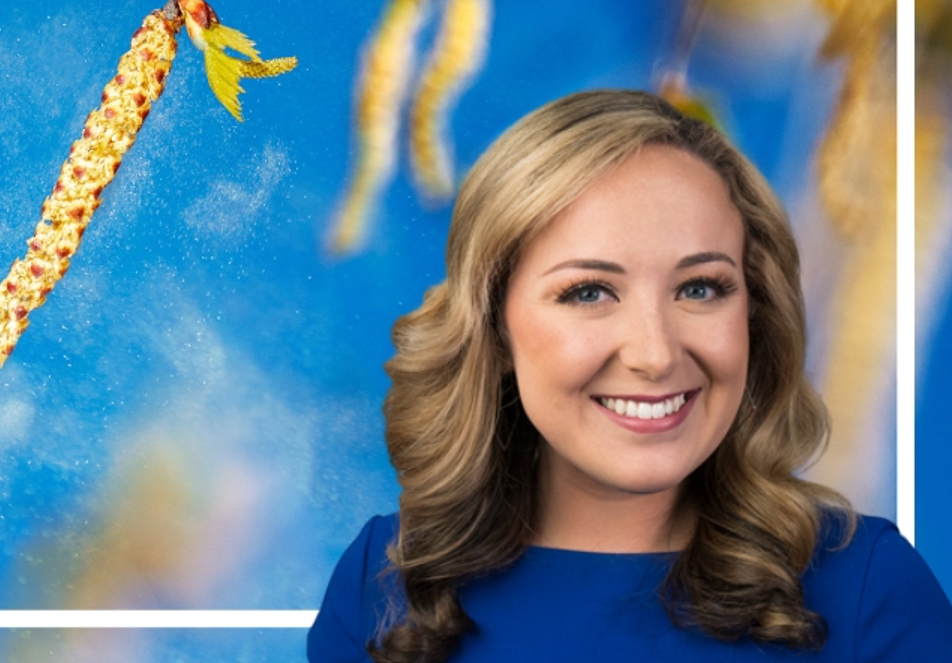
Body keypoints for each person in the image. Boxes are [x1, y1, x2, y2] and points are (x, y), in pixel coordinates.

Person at [306, 90, 952, 662]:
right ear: (494, 328)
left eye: (700, 288)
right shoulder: (383, 585)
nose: (655, 353)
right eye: (588, 292)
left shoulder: (868, 590)